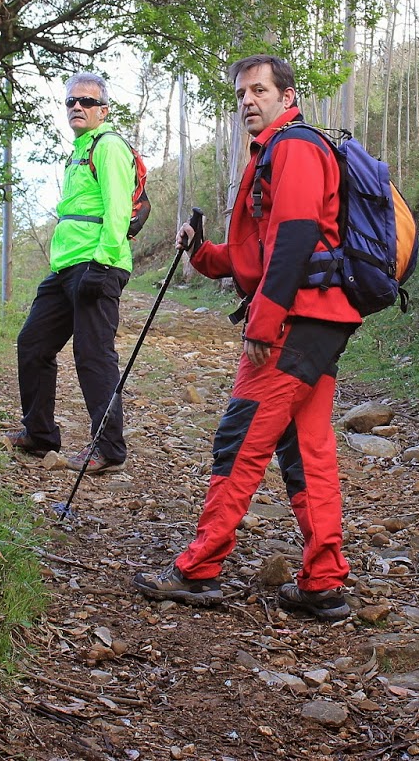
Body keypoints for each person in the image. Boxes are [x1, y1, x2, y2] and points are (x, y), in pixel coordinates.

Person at [133, 55, 362, 621]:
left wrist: (263, 323)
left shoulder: (296, 148)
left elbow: (296, 239)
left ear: (288, 97)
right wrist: (202, 252)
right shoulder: (273, 152)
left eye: (259, 90)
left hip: (294, 322)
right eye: (241, 94)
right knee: (305, 448)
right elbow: (257, 254)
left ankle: (198, 569)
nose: (248, 101)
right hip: (316, 319)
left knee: (240, 439)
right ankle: (323, 581)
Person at [8, 72, 135, 474]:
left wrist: (103, 262)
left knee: (93, 354)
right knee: (33, 343)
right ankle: (40, 434)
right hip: (65, 267)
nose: (77, 107)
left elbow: (118, 209)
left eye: (86, 101)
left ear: (103, 110)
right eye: (71, 102)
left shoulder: (109, 146)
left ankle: (108, 449)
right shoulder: (79, 150)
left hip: (96, 264)